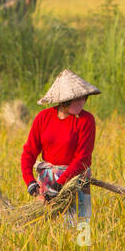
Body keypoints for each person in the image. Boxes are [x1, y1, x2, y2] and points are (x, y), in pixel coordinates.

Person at [21, 69, 99, 227]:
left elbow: (83, 158)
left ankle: (82, 249)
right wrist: (30, 181)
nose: (83, 101)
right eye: (78, 98)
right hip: (48, 183)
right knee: (49, 229)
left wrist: (60, 184)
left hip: (76, 180)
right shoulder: (43, 118)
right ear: (65, 100)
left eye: (84, 97)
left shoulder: (86, 120)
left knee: (81, 230)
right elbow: (29, 152)